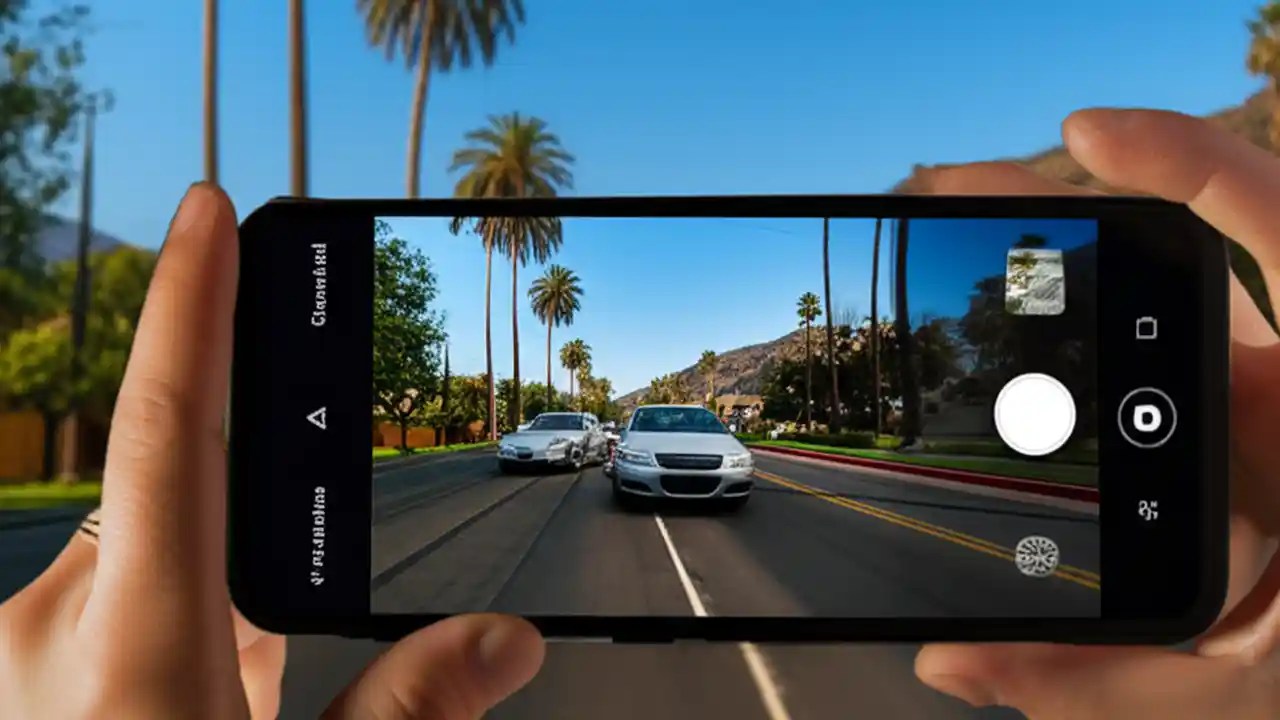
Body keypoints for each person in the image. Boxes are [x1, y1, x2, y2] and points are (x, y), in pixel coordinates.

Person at [0, 107, 1275, 719]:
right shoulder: (630, 437)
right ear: (618, 441)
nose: (668, 442)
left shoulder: (708, 433)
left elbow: (729, 447)